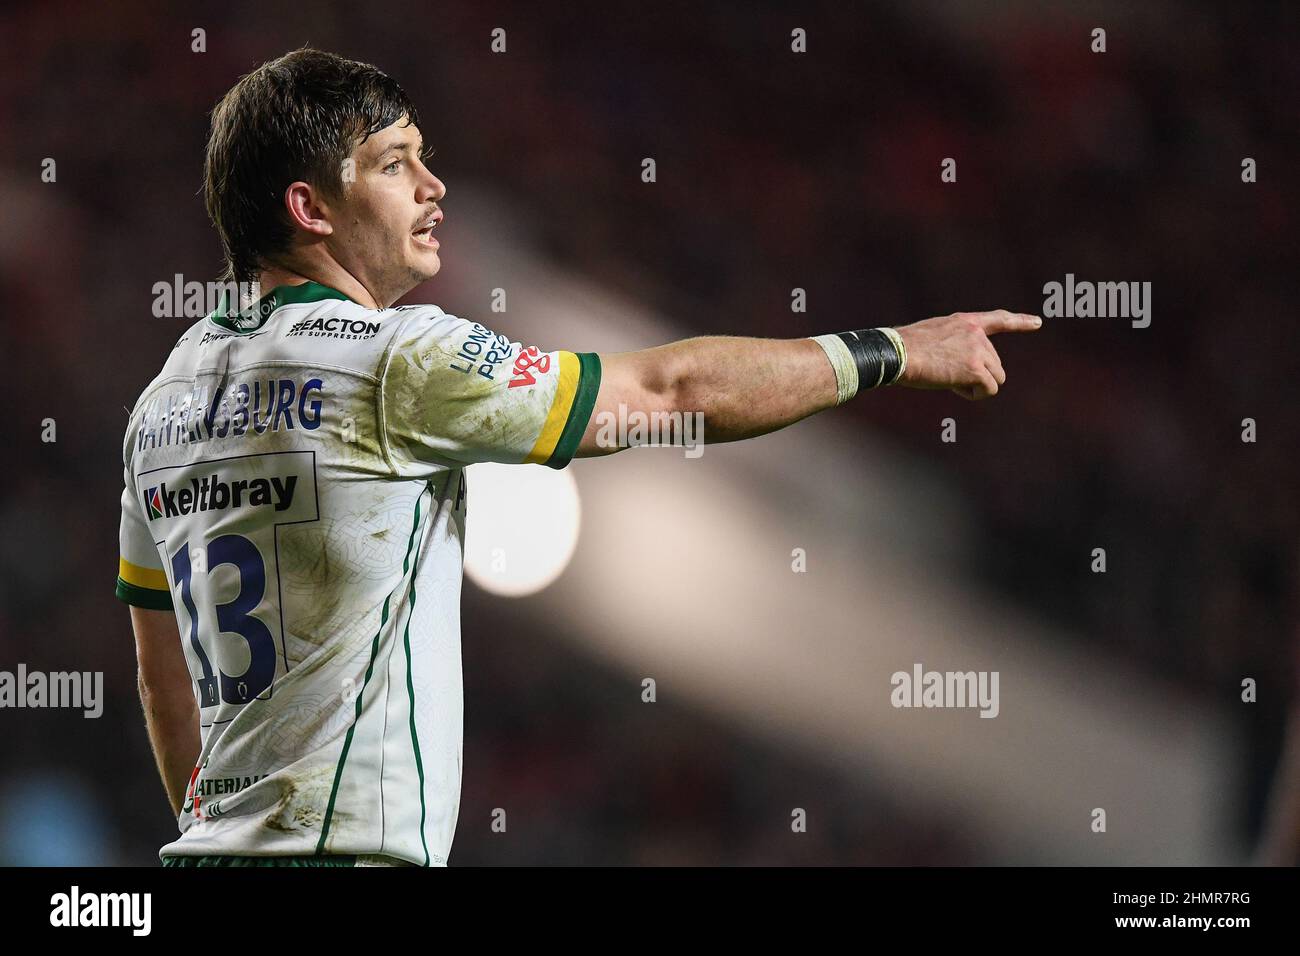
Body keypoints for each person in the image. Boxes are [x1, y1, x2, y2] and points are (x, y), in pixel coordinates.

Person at [116, 48, 1041, 867]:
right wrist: (895, 350)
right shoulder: (397, 358)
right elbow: (671, 394)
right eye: (398, 165)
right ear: (310, 208)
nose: (435, 187)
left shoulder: (160, 407)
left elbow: (164, 676)